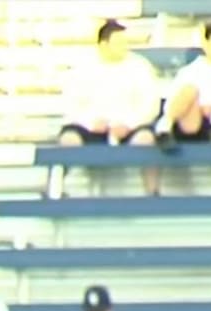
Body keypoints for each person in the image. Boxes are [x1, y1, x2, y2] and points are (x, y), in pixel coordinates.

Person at [56, 19, 161, 195]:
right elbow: (71, 105)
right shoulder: (82, 68)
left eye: (125, 42)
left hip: (129, 127)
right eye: (119, 42)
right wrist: (90, 123)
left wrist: (127, 125)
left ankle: (152, 192)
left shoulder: (140, 66)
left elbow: (150, 104)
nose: (124, 46)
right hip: (90, 128)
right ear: (103, 45)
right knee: (68, 139)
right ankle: (56, 190)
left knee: (147, 139)